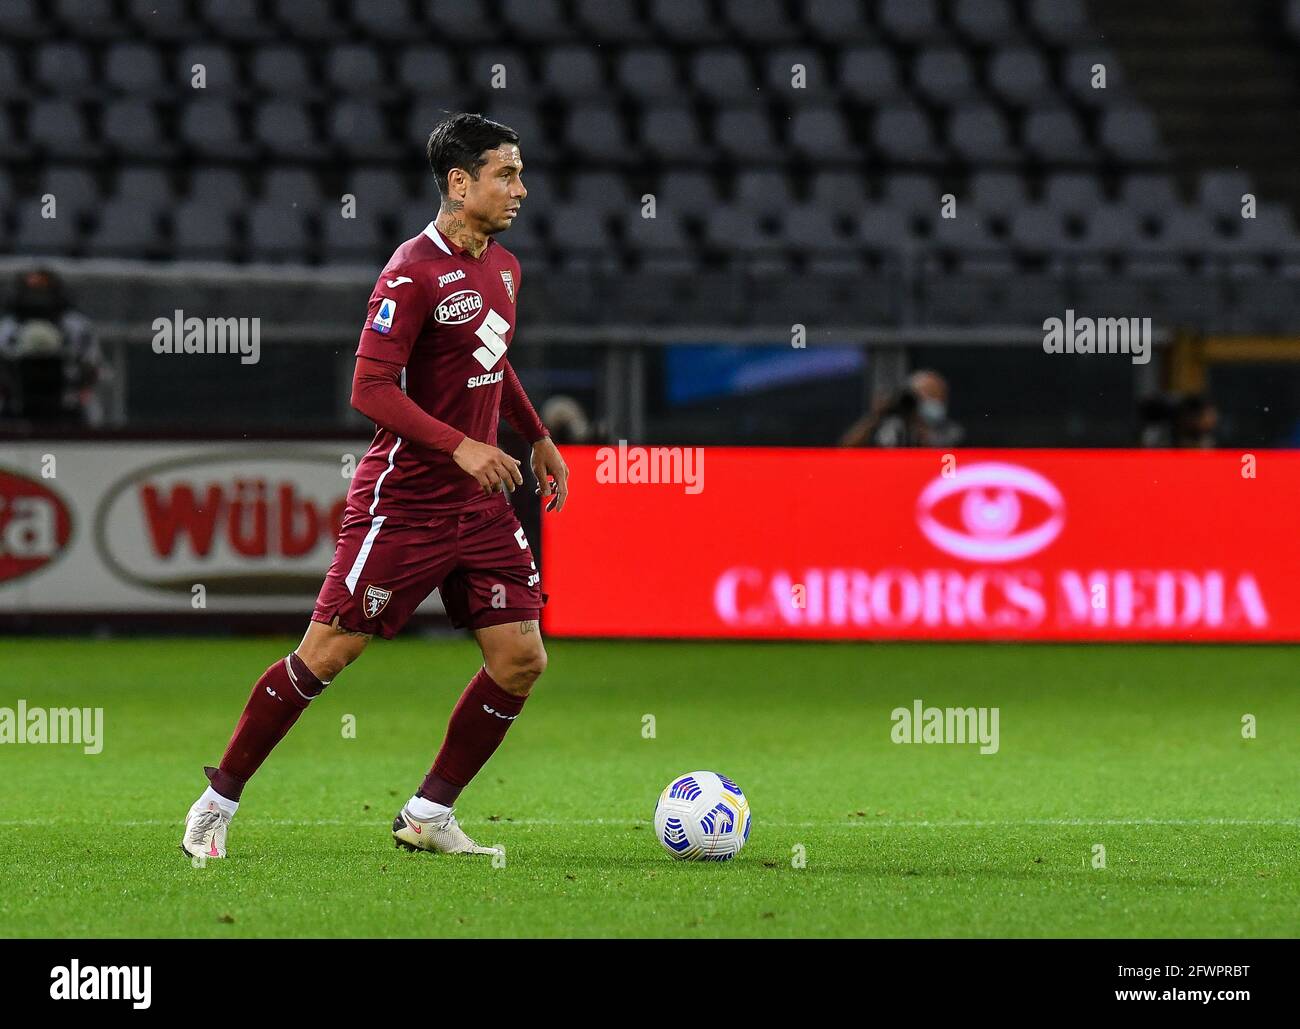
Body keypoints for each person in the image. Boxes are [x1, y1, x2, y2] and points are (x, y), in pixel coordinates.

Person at [181, 113, 569, 861]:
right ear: (460, 184)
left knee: (521, 656)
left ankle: (429, 812)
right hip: (406, 503)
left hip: (480, 506)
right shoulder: (409, 272)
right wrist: (459, 445)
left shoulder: (504, 267)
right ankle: (216, 801)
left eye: (520, 173)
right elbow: (370, 386)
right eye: (506, 174)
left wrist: (537, 435)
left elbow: (493, 358)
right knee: (326, 654)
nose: (521, 188)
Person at [0, 267, 106, 426]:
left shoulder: (76, 326)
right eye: (33, 290)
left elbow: (92, 366)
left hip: (68, 404)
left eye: (42, 290)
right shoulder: (7, 328)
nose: (37, 297)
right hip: (16, 406)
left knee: (91, 411)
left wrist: (80, 386)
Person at [840, 369, 962, 448]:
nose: (926, 400)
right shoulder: (892, 427)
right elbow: (847, 448)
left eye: (932, 395)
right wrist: (876, 416)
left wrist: (920, 427)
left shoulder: (950, 431)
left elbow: (948, 462)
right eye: (921, 395)